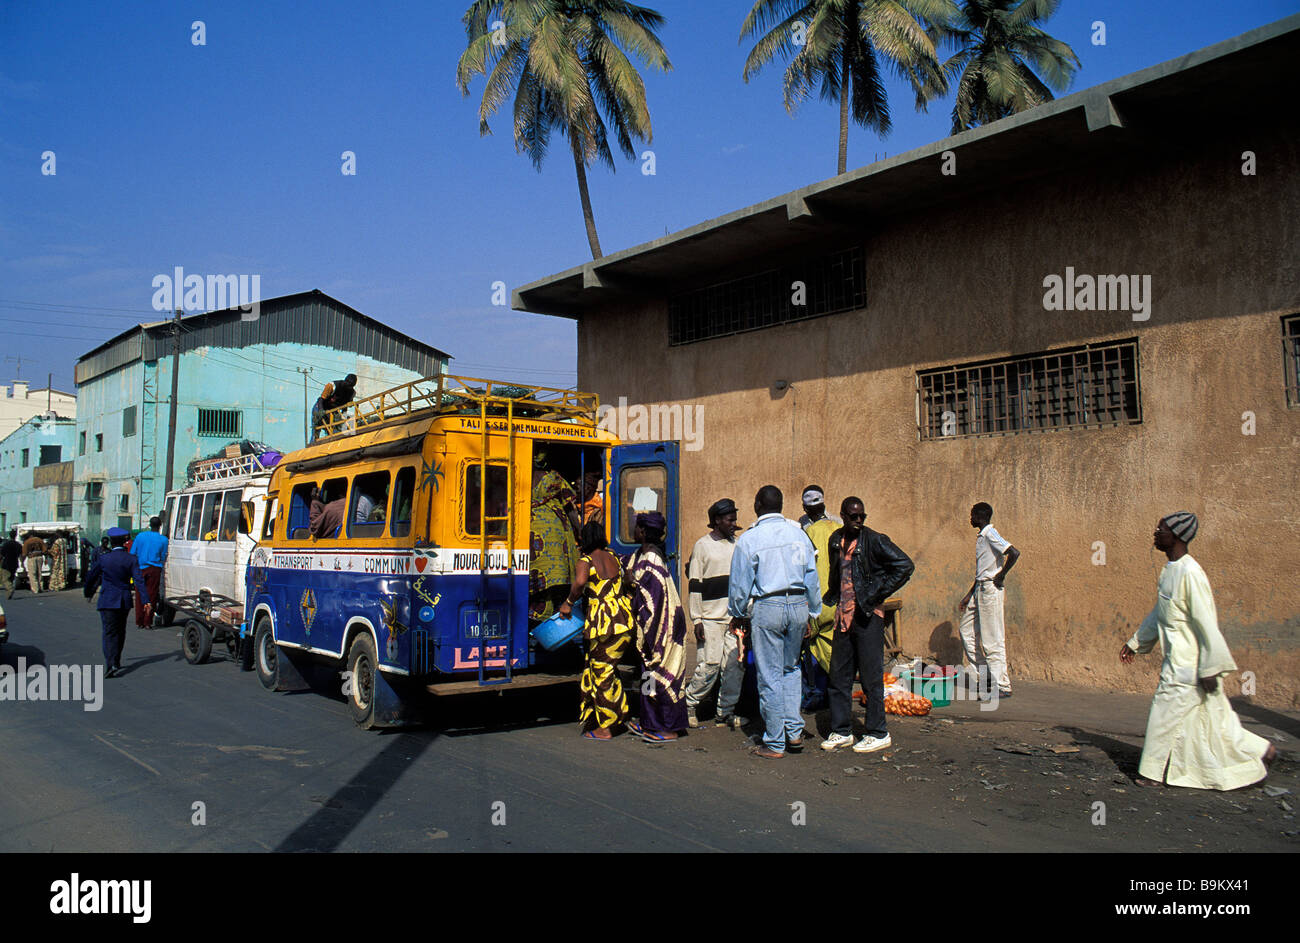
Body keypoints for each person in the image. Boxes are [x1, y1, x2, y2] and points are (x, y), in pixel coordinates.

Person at [1121, 512, 1277, 789]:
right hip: (1179, 662)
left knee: (1163, 713)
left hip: (1188, 667)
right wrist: (1136, 642)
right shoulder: (1171, 571)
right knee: (1214, 719)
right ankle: (1262, 751)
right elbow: (1161, 613)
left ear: (1177, 536)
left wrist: (1210, 668)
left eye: (1162, 529)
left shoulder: (1191, 573)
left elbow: (1206, 623)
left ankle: (1151, 773)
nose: (1156, 533)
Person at [727, 485, 821, 759]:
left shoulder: (750, 539)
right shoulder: (798, 533)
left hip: (768, 605)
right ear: (780, 505)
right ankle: (794, 732)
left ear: (758, 505)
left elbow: (740, 583)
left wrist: (737, 611)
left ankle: (775, 741)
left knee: (769, 675)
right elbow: (811, 576)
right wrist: (812, 612)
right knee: (791, 669)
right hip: (798, 604)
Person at [821, 497, 915, 754]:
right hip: (843, 615)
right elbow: (836, 573)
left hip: (868, 616)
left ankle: (877, 732)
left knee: (872, 678)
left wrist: (875, 594)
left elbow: (905, 565)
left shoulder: (875, 540)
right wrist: (832, 595)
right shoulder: (835, 540)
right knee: (839, 676)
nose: (859, 520)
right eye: (854, 516)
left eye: (862, 516)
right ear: (843, 515)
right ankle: (841, 730)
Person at [560, 521, 635, 740]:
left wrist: (568, 602)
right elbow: (627, 578)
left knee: (601, 673)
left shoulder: (585, 560)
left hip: (603, 622)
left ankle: (607, 727)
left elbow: (580, 582)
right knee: (609, 669)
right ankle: (619, 716)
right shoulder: (613, 555)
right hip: (623, 619)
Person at [626, 511, 689, 742]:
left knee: (664, 676)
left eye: (636, 528)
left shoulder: (652, 560)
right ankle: (649, 722)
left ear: (642, 531)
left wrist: (631, 582)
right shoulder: (642, 555)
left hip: (664, 630)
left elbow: (652, 601)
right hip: (653, 631)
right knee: (647, 676)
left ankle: (669, 728)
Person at [683, 498, 745, 729]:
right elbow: (696, 583)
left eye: (734, 519)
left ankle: (725, 712)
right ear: (717, 521)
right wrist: (697, 619)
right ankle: (689, 704)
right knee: (709, 665)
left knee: (734, 667)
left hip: (733, 619)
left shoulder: (737, 545)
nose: (734, 523)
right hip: (709, 618)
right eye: (730, 519)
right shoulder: (702, 545)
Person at [958, 502, 1021, 699]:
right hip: (979, 589)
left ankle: (1002, 685)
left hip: (990, 591)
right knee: (966, 631)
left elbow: (1014, 552)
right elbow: (983, 571)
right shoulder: (982, 537)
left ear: (979, 516)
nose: (970, 519)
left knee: (992, 638)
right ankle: (986, 677)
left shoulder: (991, 534)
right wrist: (970, 594)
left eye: (972, 515)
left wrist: (1001, 575)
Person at [84, 527, 151, 678]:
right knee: (120, 631)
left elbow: (91, 576)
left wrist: (88, 592)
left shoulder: (104, 558)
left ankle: (111, 663)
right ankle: (116, 659)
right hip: (124, 600)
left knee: (109, 632)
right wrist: (146, 600)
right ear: (125, 541)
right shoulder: (131, 559)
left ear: (111, 542)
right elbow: (139, 581)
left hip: (107, 600)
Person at [528, 451, 580, 621]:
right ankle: (557, 620)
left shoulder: (518, 476)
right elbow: (570, 508)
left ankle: (536, 618)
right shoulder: (553, 477)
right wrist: (580, 532)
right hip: (556, 535)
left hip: (530, 531)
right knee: (558, 581)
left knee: (537, 585)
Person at [801, 491, 839, 711]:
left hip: (816, 603)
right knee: (834, 649)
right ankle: (836, 695)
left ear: (806, 510)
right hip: (839, 602)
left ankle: (815, 696)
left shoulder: (807, 533)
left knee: (810, 649)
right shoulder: (839, 528)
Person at [130, 516, 168, 628]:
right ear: (160, 525)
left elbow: (133, 553)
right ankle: (147, 621)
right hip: (154, 569)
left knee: (139, 594)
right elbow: (163, 556)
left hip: (140, 568)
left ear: (150, 525)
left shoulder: (140, 536)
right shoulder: (164, 540)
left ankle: (139, 621)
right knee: (151, 595)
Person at [311, 374, 359, 440]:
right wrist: (321, 410)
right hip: (320, 407)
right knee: (316, 430)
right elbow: (321, 399)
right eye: (348, 384)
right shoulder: (332, 386)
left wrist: (343, 417)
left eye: (351, 386)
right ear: (345, 381)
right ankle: (314, 443)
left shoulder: (352, 393)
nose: (348, 387)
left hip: (333, 411)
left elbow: (345, 406)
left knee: (335, 431)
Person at [1, 529, 20, 599]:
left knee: (5, 579)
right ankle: (9, 592)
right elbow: (21, 554)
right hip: (15, 563)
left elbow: (2, 554)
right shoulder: (18, 545)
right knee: (11, 577)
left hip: (6, 563)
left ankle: (10, 589)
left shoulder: (6, 544)